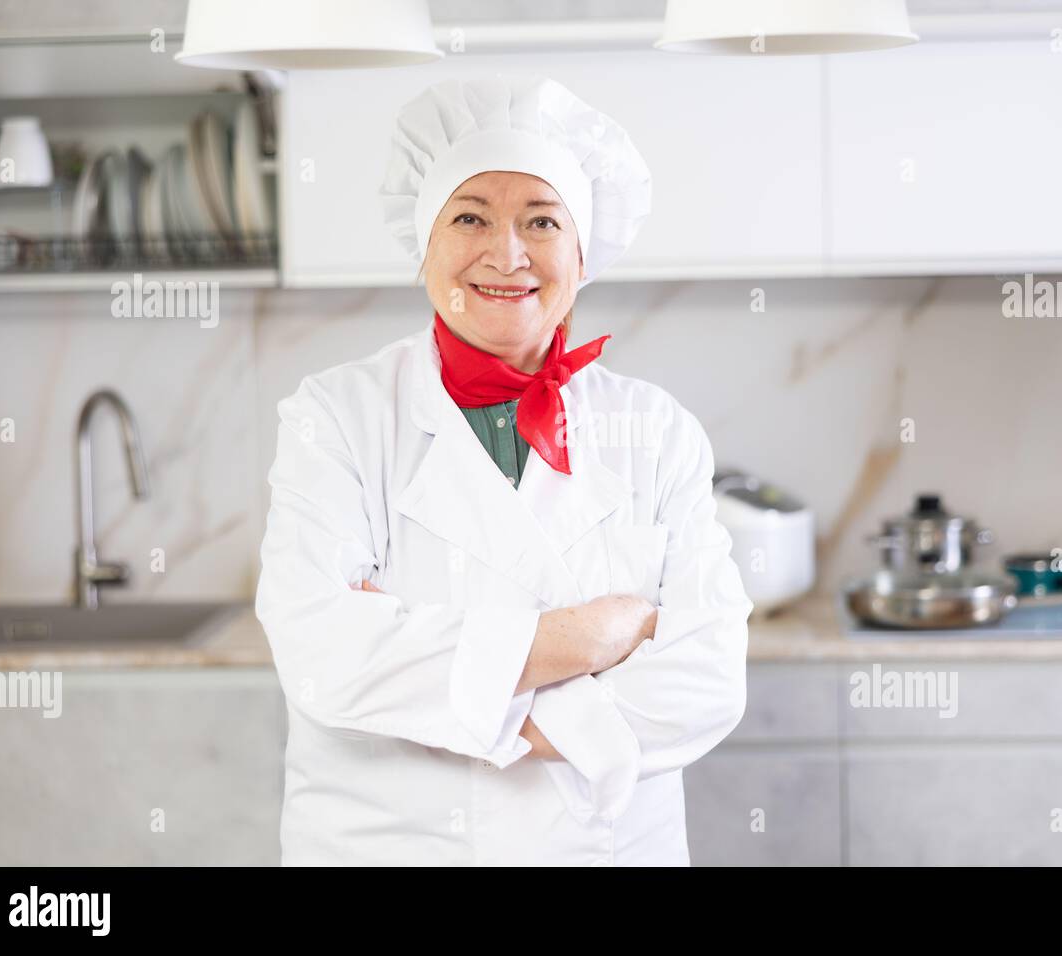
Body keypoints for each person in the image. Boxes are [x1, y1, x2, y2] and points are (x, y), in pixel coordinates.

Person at [255, 73, 753, 866]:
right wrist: (591, 638)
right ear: (426, 243)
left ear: (582, 254)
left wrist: (463, 700)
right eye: (471, 217)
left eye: (542, 220)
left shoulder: (656, 432)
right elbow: (323, 649)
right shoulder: (336, 420)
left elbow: (709, 676)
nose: (507, 253)